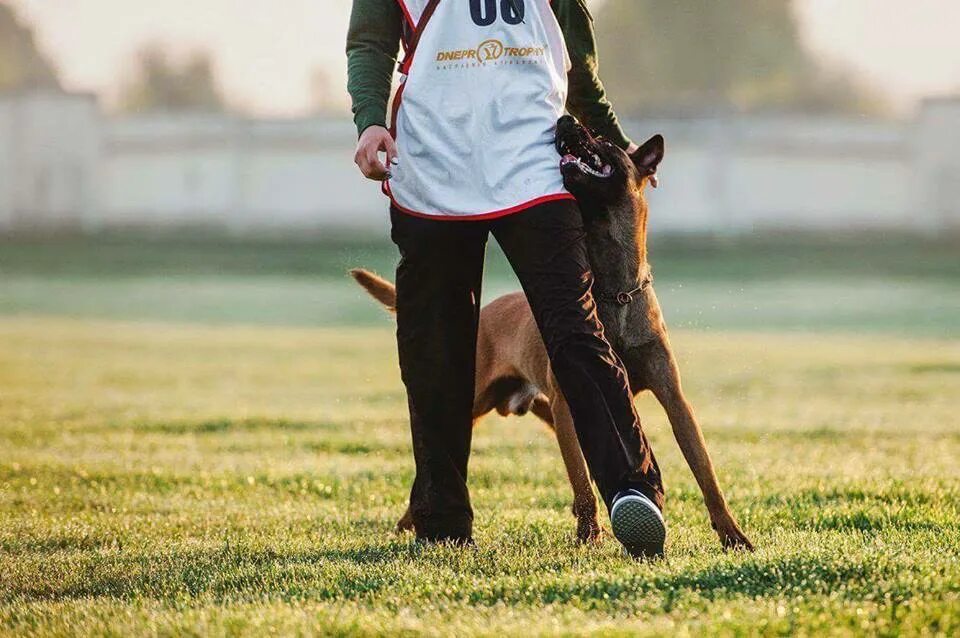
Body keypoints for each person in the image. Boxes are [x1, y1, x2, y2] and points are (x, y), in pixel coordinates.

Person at [346, 0, 666, 558]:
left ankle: (632, 492)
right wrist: (371, 119)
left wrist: (623, 150)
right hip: (431, 170)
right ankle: (443, 520)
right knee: (436, 351)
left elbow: (578, 68)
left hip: (533, 165)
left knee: (574, 329)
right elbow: (370, 42)